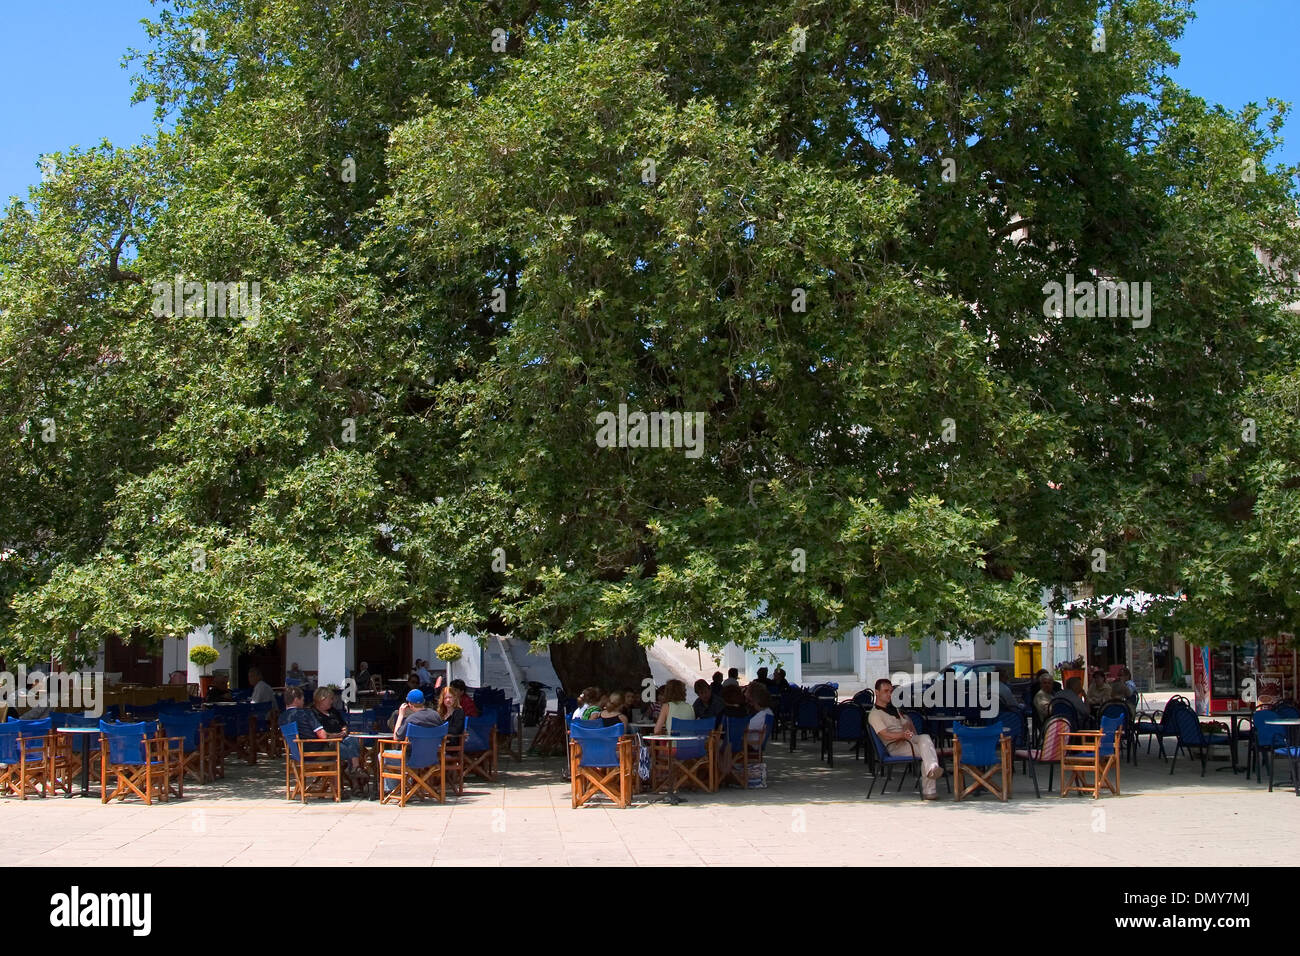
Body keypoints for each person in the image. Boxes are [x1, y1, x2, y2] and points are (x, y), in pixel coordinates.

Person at [867, 678, 943, 800]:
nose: (889, 694)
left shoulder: (894, 709)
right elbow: (885, 735)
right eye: (886, 691)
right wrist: (902, 735)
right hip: (895, 747)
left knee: (925, 738)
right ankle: (930, 788)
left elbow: (911, 730)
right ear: (877, 692)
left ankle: (932, 769)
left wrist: (906, 720)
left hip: (909, 741)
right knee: (928, 751)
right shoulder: (875, 714)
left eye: (891, 691)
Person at [312, 686, 367, 793]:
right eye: (330, 699)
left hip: (342, 739)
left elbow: (343, 724)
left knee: (352, 741)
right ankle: (355, 778)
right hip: (328, 745)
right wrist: (337, 735)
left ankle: (354, 768)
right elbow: (321, 734)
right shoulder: (313, 713)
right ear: (322, 699)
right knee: (350, 751)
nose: (332, 701)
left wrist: (344, 731)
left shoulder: (332, 711)